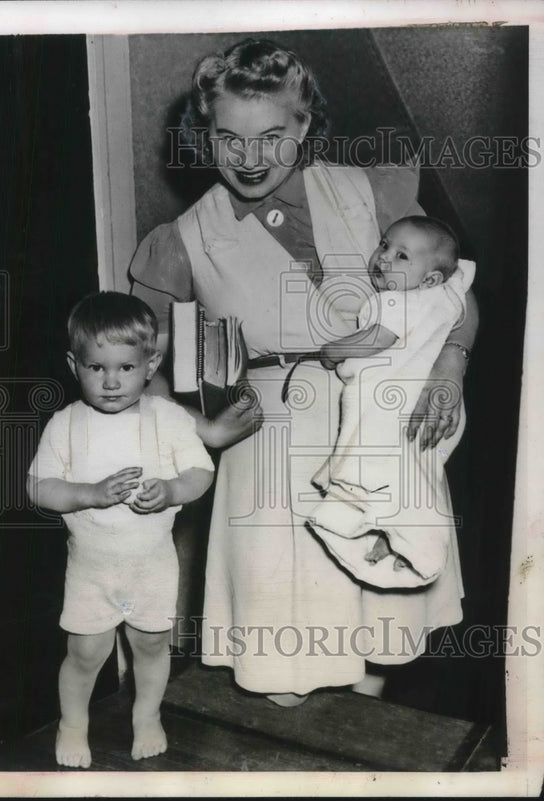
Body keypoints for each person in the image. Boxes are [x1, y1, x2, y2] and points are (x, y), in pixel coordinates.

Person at [129, 38, 478, 706]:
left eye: (270, 136)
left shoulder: (370, 190)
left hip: (381, 426)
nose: (249, 157)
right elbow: (136, 361)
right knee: (285, 676)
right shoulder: (182, 239)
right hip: (273, 445)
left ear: (305, 126)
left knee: (377, 649)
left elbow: (450, 295)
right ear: (205, 135)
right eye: (229, 137)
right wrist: (199, 425)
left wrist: (451, 364)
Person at [26, 292, 214, 767]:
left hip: (151, 565)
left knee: (151, 644)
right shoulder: (66, 424)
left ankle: (147, 715)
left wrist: (171, 491)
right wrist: (90, 493)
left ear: (150, 365)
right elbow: (38, 488)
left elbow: (201, 472)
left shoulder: (167, 418)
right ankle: (73, 725)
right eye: (96, 368)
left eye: (125, 368)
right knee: (87, 653)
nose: (111, 382)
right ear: (74, 364)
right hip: (92, 570)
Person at [308, 216, 474, 589]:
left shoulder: (397, 301)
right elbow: (463, 276)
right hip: (430, 408)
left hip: (396, 407)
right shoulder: (443, 296)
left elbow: (375, 340)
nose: (384, 258)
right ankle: (396, 534)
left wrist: (334, 351)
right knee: (409, 480)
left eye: (402, 257)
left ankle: (411, 540)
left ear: (429, 278)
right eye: (384, 245)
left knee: (373, 471)